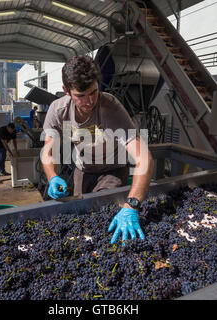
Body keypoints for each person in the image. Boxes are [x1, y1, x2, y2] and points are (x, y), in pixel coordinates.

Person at [41, 55, 154, 245]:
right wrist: (52, 176)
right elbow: (48, 151)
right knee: (80, 218)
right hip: (83, 170)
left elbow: (144, 158)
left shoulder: (110, 108)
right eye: (80, 96)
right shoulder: (58, 110)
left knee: (103, 218)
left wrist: (132, 204)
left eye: (93, 92)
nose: (89, 101)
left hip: (112, 169)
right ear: (66, 91)